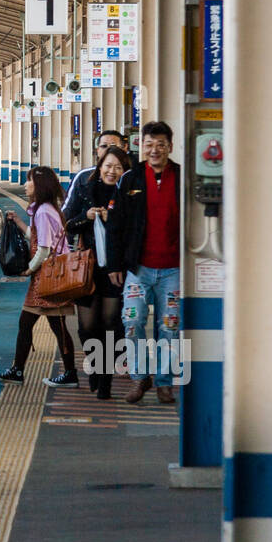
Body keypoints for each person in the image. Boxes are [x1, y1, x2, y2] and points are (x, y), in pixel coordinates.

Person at [106, 120, 181, 405]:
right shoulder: (130, 179)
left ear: (170, 147)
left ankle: (164, 383)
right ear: (141, 147)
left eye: (160, 145)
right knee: (133, 320)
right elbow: (115, 224)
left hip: (173, 269)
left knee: (170, 327)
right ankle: (140, 378)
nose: (154, 150)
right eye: (149, 145)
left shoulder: (181, 177)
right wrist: (115, 265)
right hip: (138, 268)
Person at [0, 165, 79, 389]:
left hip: (50, 279)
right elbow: (38, 235)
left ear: (39, 185)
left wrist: (28, 270)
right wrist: (20, 222)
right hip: (49, 278)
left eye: (29, 180)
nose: (25, 184)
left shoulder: (42, 212)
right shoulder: (47, 209)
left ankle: (68, 373)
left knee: (55, 326)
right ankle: (18, 370)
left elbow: (44, 248)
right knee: (35, 324)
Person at [64, 145, 130, 400]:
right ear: (100, 166)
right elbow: (68, 223)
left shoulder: (127, 194)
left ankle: (105, 381)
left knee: (111, 324)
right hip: (88, 268)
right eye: (108, 166)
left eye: (118, 167)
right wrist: (88, 216)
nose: (112, 171)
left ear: (124, 171)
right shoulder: (86, 189)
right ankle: (94, 363)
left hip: (115, 270)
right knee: (88, 327)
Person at [63, 129, 126, 220]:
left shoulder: (131, 178)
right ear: (97, 150)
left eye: (113, 146)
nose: (108, 150)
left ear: (124, 149)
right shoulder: (83, 177)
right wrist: (85, 217)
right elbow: (66, 215)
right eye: (104, 146)